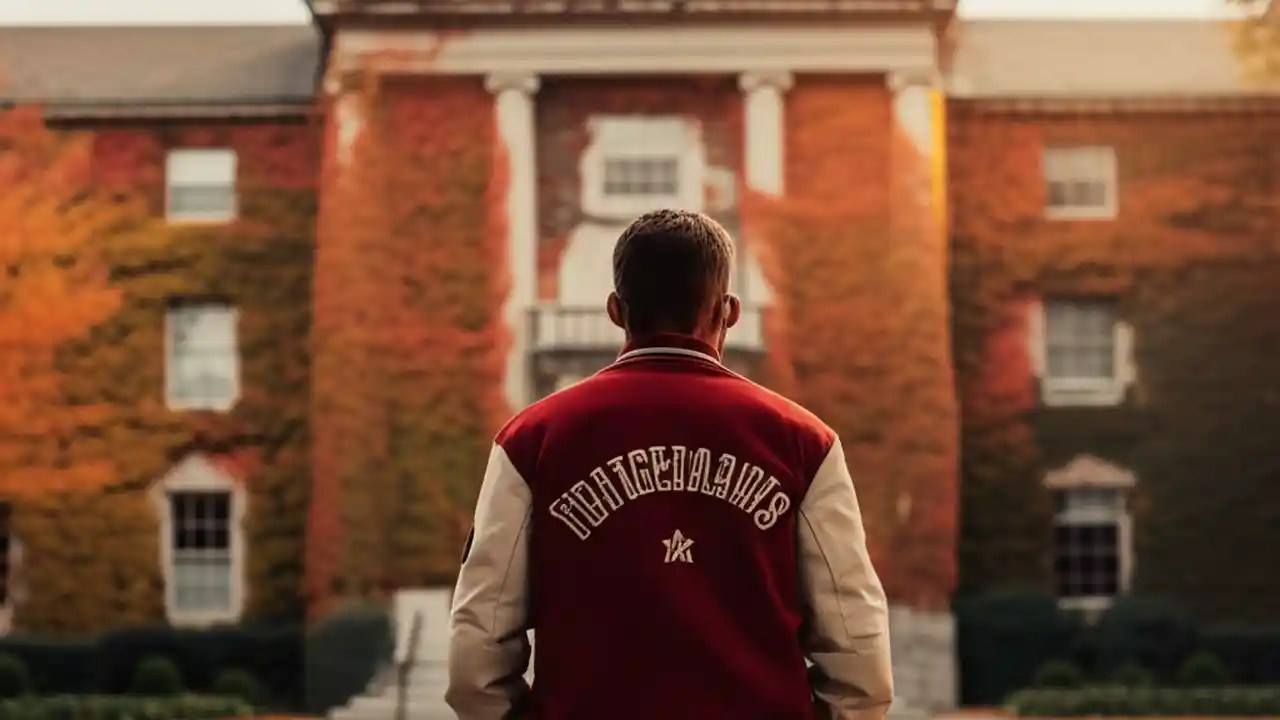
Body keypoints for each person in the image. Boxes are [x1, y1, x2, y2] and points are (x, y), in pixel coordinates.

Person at [447, 209, 893, 720]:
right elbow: (857, 645)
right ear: (728, 312)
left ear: (616, 310)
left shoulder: (533, 439)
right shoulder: (804, 443)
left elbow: (477, 648)